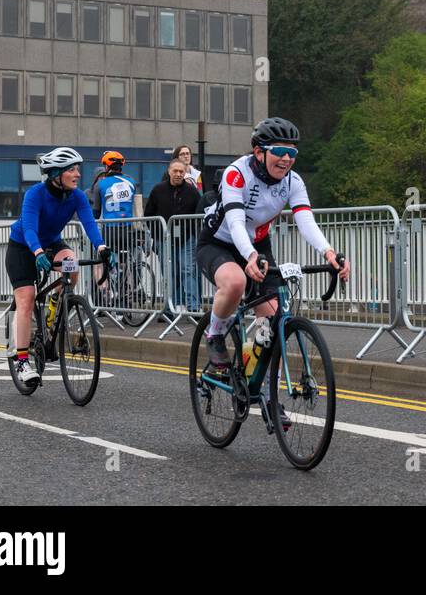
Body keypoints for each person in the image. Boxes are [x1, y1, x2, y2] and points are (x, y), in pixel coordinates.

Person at [196, 117, 350, 423]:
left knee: (272, 313)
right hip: (220, 242)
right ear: (259, 152)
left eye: (292, 153)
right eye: (280, 150)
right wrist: (250, 256)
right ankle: (215, 335)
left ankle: (269, 395)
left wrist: (329, 252)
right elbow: (237, 222)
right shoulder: (236, 174)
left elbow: (305, 221)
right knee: (236, 281)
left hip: (258, 245)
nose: (286, 159)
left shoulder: (293, 182)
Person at [5, 147, 110, 383]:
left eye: (78, 169)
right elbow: (30, 227)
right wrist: (37, 251)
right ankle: (22, 361)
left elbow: (89, 224)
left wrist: (102, 247)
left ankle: (56, 302)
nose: (78, 174)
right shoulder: (35, 194)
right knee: (27, 298)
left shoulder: (77, 196)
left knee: (71, 264)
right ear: (56, 174)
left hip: (51, 243)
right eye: (72, 170)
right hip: (23, 246)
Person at [145, 159, 202, 311]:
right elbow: (148, 215)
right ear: (169, 171)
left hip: (186, 239)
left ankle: (193, 307)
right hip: (164, 239)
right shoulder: (158, 190)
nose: (178, 174)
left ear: (185, 173)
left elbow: (199, 214)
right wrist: (157, 236)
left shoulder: (192, 191)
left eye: (181, 172)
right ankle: (170, 308)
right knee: (170, 273)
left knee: (188, 270)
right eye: (175, 171)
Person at [90, 150, 141, 282]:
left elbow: (96, 211)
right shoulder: (131, 182)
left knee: (107, 258)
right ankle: (130, 285)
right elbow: (137, 207)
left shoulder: (100, 184)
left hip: (110, 230)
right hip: (129, 229)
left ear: (106, 167)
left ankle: (114, 280)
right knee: (128, 259)